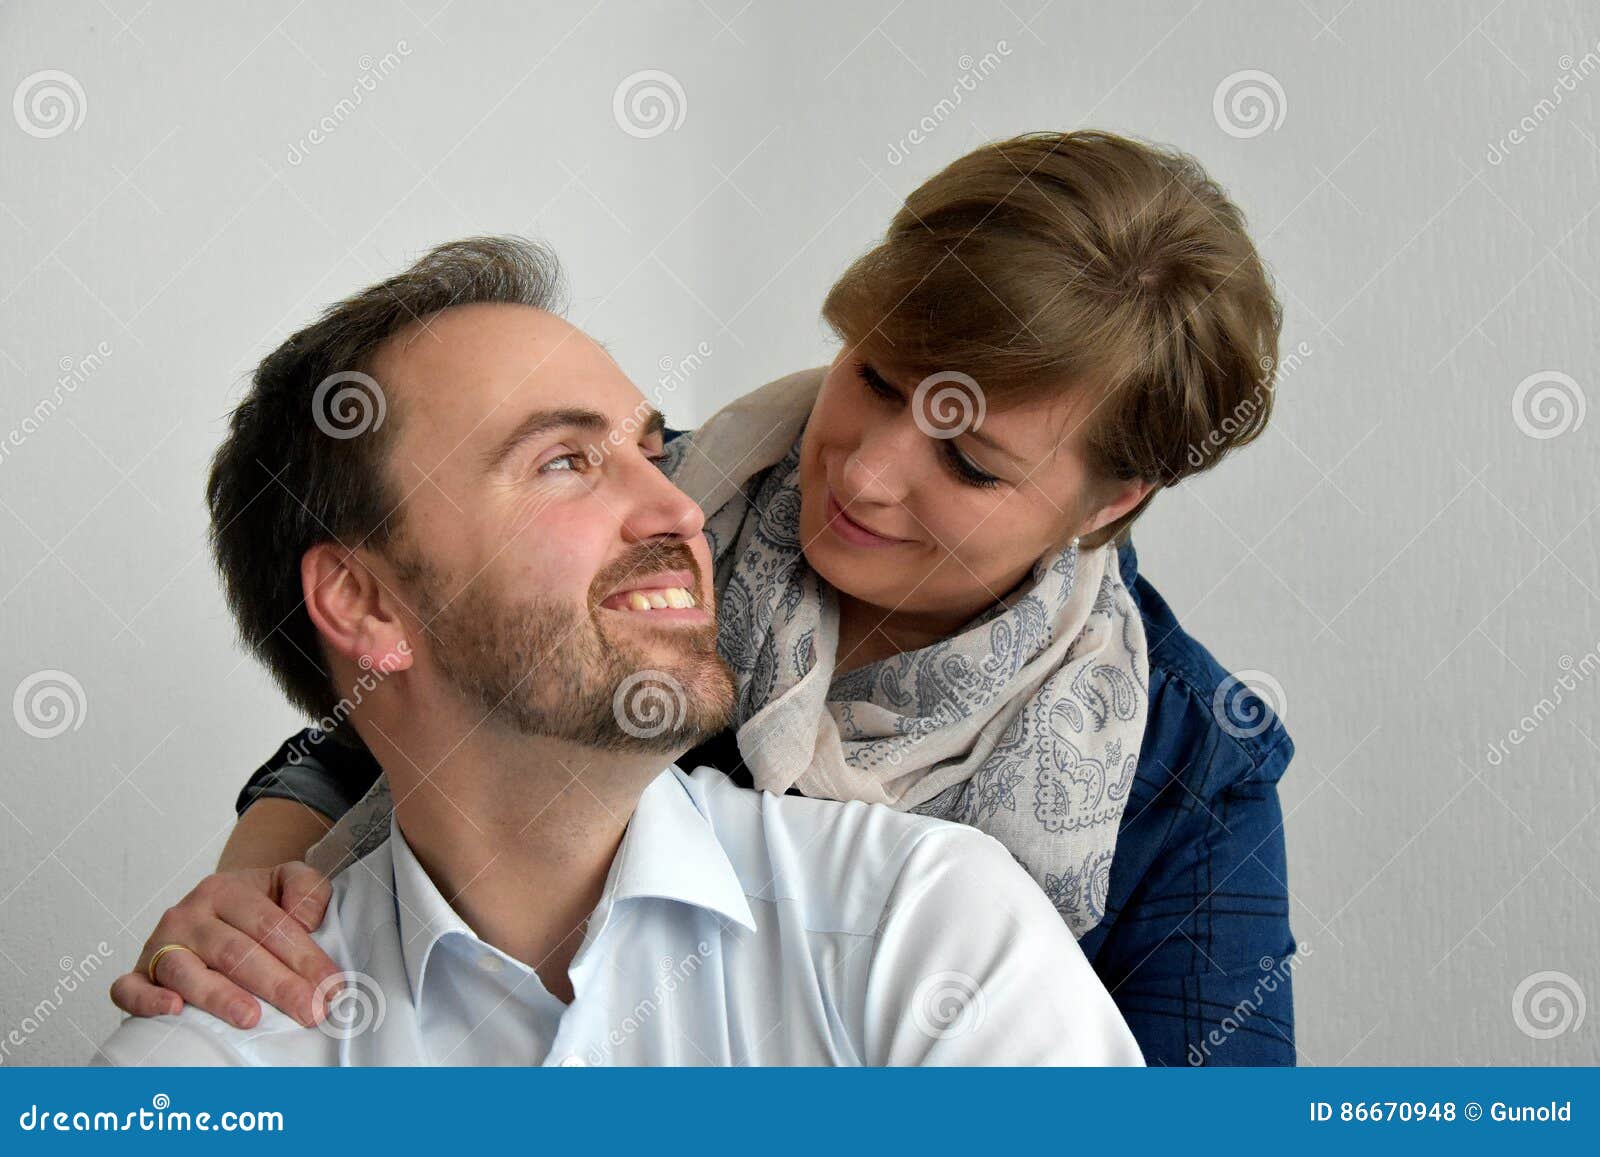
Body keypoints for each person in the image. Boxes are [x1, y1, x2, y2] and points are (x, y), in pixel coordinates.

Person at [112, 131, 1298, 1065]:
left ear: (1106, 502)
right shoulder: (676, 500)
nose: (868, 472)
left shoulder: (1177, 773)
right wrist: (262, 884)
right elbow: (422, 680)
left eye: (970, 463)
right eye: (874, 377)